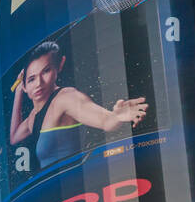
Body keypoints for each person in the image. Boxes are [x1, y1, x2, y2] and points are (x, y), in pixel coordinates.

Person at [9, 40, 148, 174]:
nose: (39, 83)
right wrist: (18, 93)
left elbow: (105, 121)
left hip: (77, 185)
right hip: (55, 191)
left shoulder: (65, 98)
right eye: (31, 79)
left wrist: (116, 117)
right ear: (25, 86)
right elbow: (14, 137)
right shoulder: (33, 116)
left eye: (46, 71)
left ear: (58, 67)